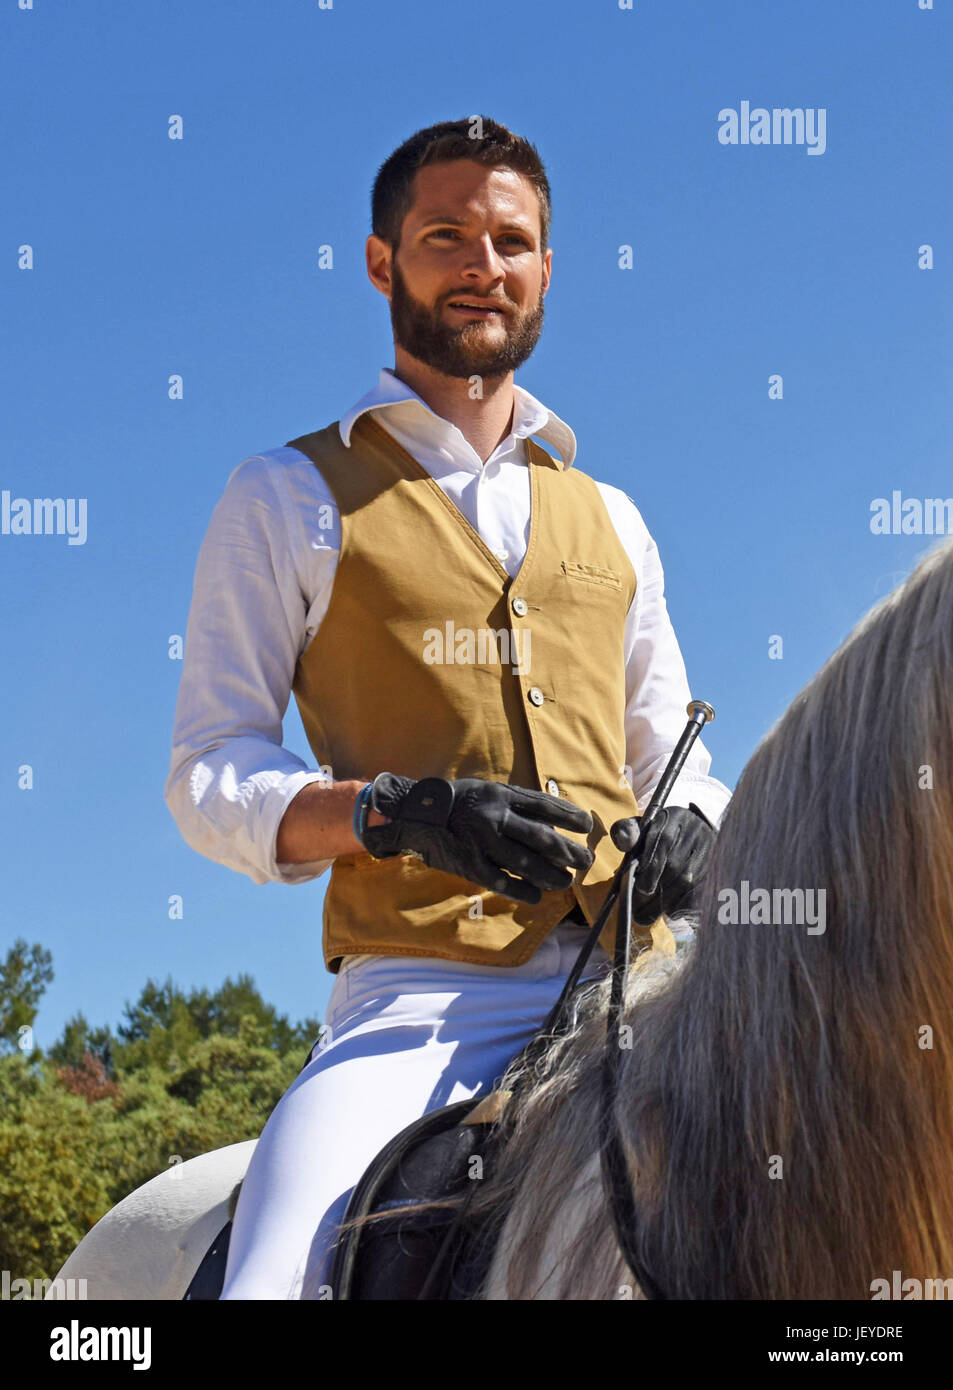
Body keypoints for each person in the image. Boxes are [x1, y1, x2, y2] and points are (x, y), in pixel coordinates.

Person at [164, 116, 732, 1300]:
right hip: (425, 1000)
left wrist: (696, 827)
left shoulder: (615, 517)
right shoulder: (284, 493)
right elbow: (209, 771)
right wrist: (389, 813)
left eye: (510, 240)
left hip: (652, 987)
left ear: (545, 269)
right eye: (445, 236)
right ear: (382, 263)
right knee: (270, 1280)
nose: (483, 263)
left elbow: (669, 752)